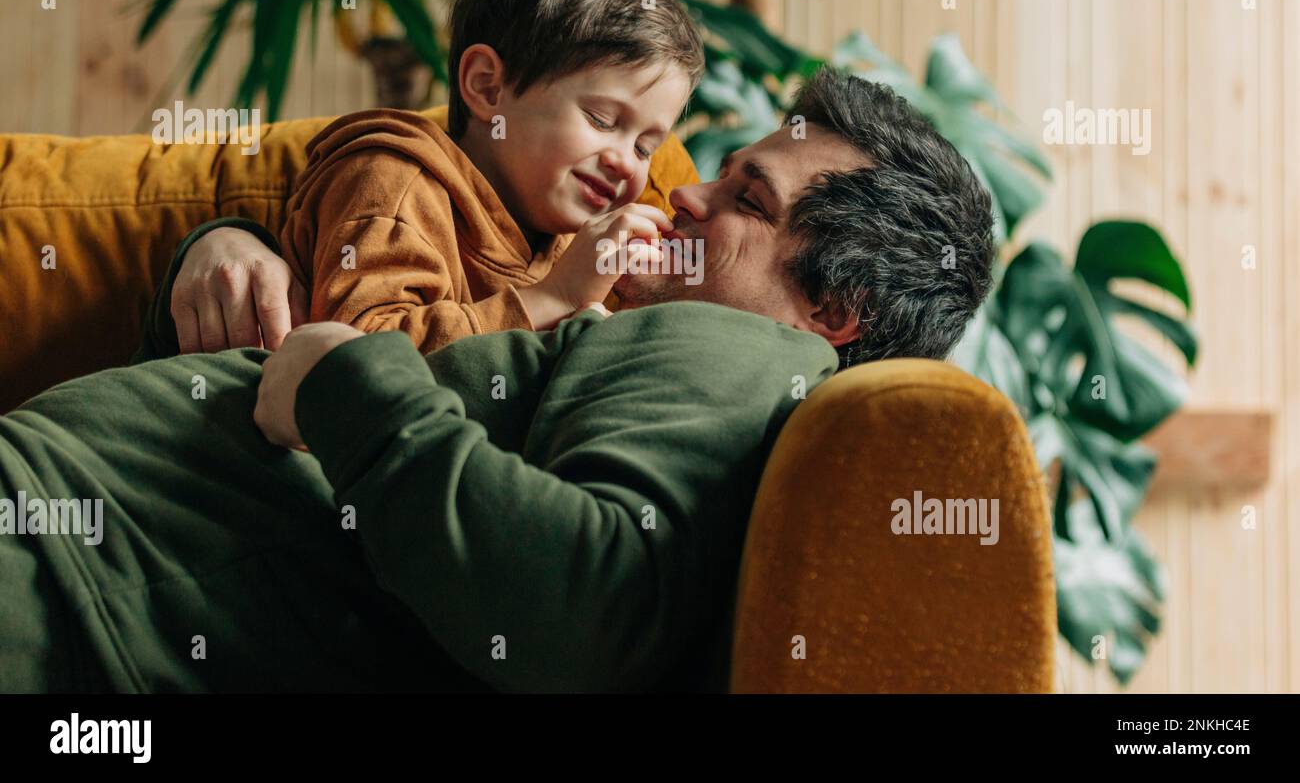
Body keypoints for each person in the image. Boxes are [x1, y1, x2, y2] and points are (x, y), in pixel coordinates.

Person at [0, 69, 994, 692]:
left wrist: (345, 381)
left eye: (744, 199)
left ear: (833, 311)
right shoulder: (596, 292)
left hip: (66, 567)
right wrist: (221, 252)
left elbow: (577, 606)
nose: (679, 191)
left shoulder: (744, 351)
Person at [137, 0, 703, 362]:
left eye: (648, 145)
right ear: (486, 87)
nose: (627, 161)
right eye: (602, 120)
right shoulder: (395, 179)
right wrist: (555, 296)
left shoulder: (566, 241)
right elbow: (361, 361)